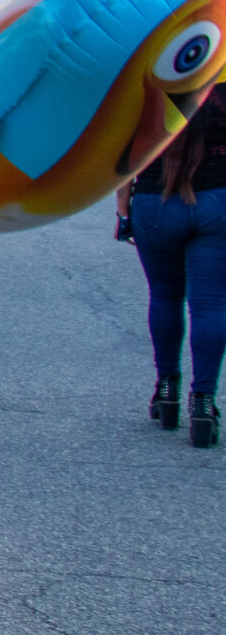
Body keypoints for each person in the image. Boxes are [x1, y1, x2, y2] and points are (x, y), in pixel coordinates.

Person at [122, 93, 226, 447]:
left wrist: (123, 209)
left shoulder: (152, 74)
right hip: (218, 200)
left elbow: (125, 151)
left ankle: (167, 390)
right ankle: (203, 403)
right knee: (211, 304)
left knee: (165, 296)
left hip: (154, 202)